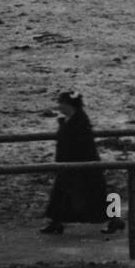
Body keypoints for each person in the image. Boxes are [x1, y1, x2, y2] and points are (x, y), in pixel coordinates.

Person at [42, 90, 124, 236]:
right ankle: (56, 222)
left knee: (94, 195)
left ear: (69, 105)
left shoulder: (78, 121)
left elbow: (78, 144)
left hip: (82, 165)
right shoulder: (74, 119)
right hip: (73, 164)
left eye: (62, 104)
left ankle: (115, 220)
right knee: (62, 194)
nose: (60, 107)